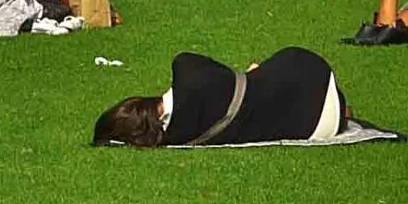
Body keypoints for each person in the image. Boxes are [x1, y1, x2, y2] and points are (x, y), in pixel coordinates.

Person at [90, 48, 354, 147]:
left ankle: (339, 108)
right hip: (310, 78)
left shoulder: (180, 135)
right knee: (261, 76)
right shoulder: (185, 68)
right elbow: (224, 76)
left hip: (313, 127)